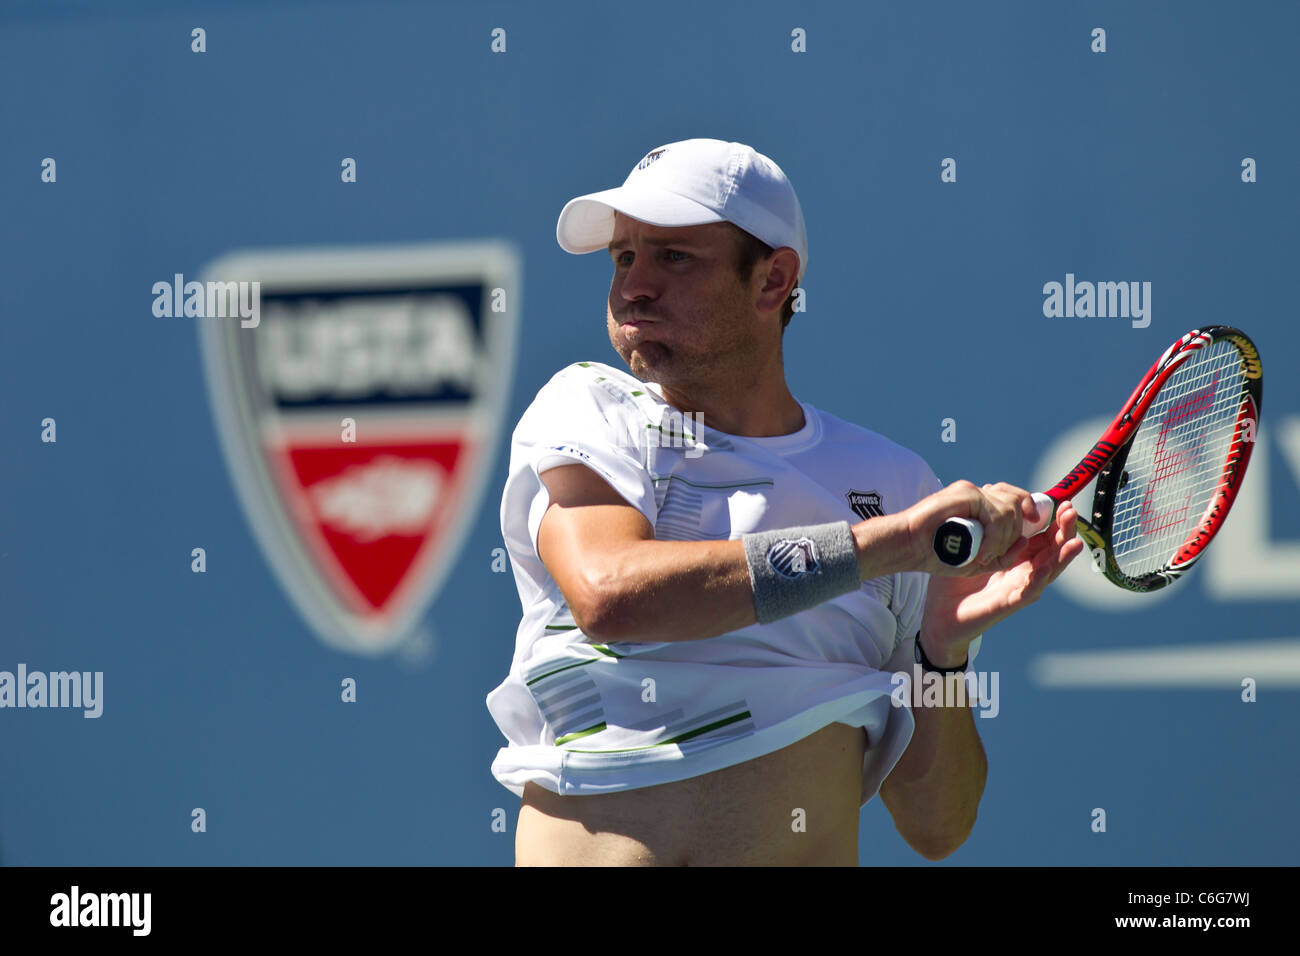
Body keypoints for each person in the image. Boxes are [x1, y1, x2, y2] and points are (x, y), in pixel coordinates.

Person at [486, 138, 1083, 866]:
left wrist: (941, 655)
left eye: (673, 258)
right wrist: (882, 549)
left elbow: (939, 826)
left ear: (773, 280)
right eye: (623, 257)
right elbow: (611, 595)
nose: (634, 286)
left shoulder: (893, 483)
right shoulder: (589, 408)